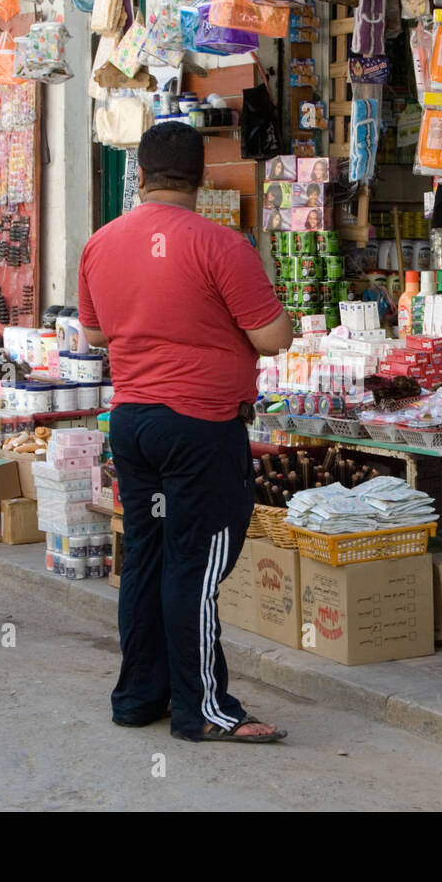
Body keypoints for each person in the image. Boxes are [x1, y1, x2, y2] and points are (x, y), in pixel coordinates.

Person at [78, 123, 293, 742]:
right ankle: (203, 708)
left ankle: (139, 696)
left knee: (146, 556)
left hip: (133, 421)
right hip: (198, 424)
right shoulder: (221, 245)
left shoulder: (101, 243)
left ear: (138, 177)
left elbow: (94, 335)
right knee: (194, 565)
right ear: (202, 179)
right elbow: (272, 337)